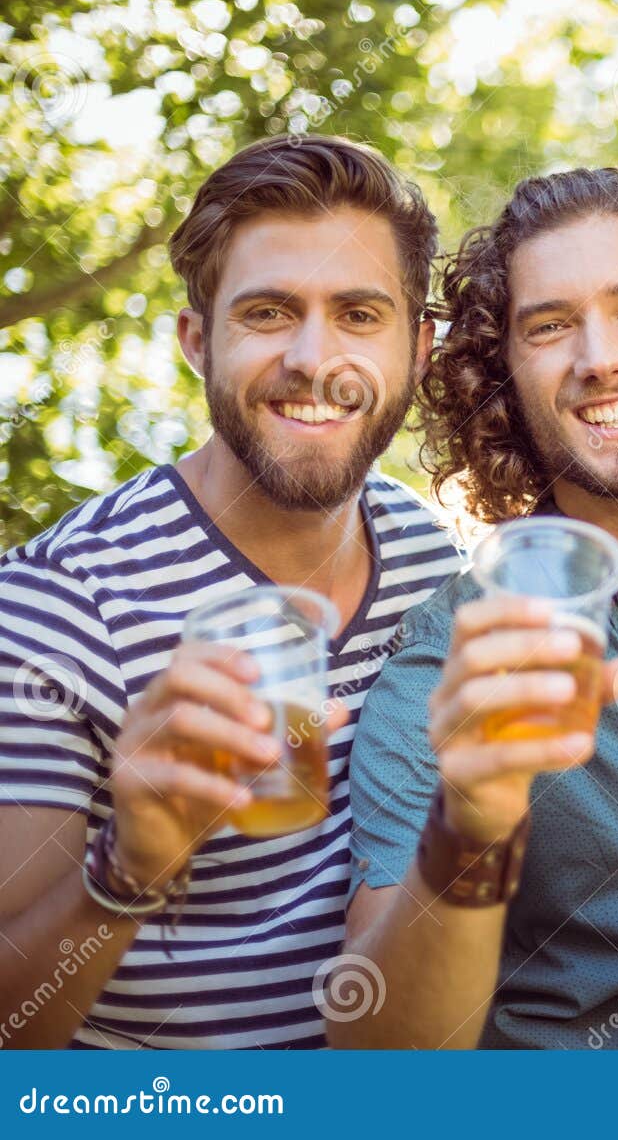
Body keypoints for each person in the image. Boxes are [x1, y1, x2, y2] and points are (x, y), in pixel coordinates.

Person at [0, 135, 462, 1048]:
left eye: (359, 314)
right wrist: (127, 863)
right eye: (268, 312)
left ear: (419, 348)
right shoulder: (57, 605)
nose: (313, 357)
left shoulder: (428, 557)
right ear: (197, 341)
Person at [332, 168, 618, 1049]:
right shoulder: (456, 657)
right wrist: (472, 816)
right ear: (499, 371)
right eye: (549, 326)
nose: (601, 357)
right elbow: (380, 1053)